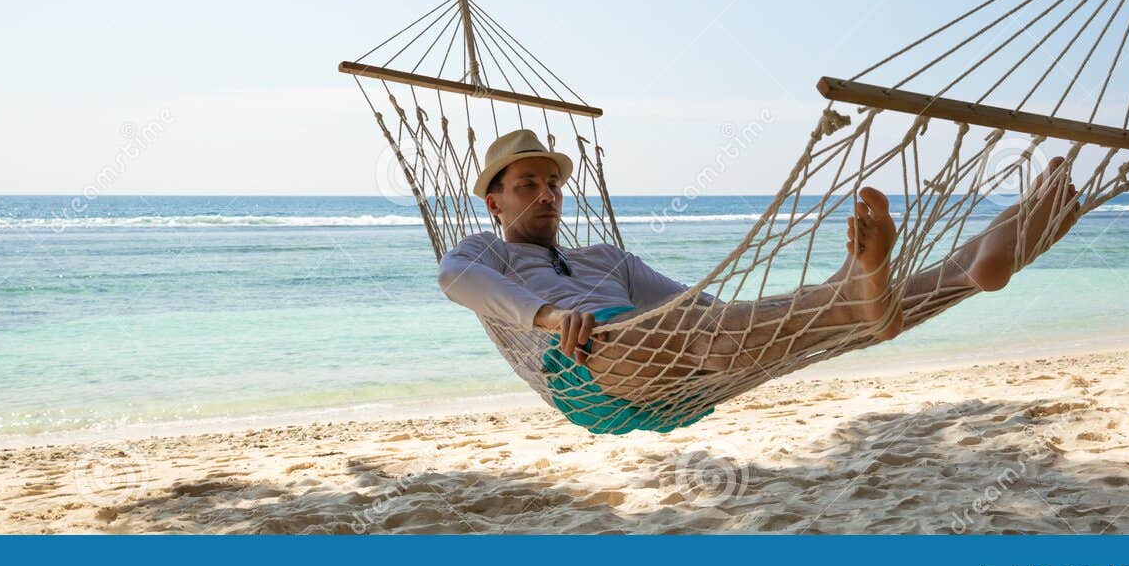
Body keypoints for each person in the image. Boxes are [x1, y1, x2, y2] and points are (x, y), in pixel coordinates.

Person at [437, 127, 1079, 434]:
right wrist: (549, 316)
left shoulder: (609, 258)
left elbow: (700, 305)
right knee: (761, 324)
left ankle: (972, 266)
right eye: (528, 185)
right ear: (495, 201)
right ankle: (860, 290)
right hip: (589, 365)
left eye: (552, 184)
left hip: (668, 355)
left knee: (811, 324)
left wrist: (770, 316)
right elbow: (454, 278)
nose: (547, 194)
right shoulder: (486, 251)